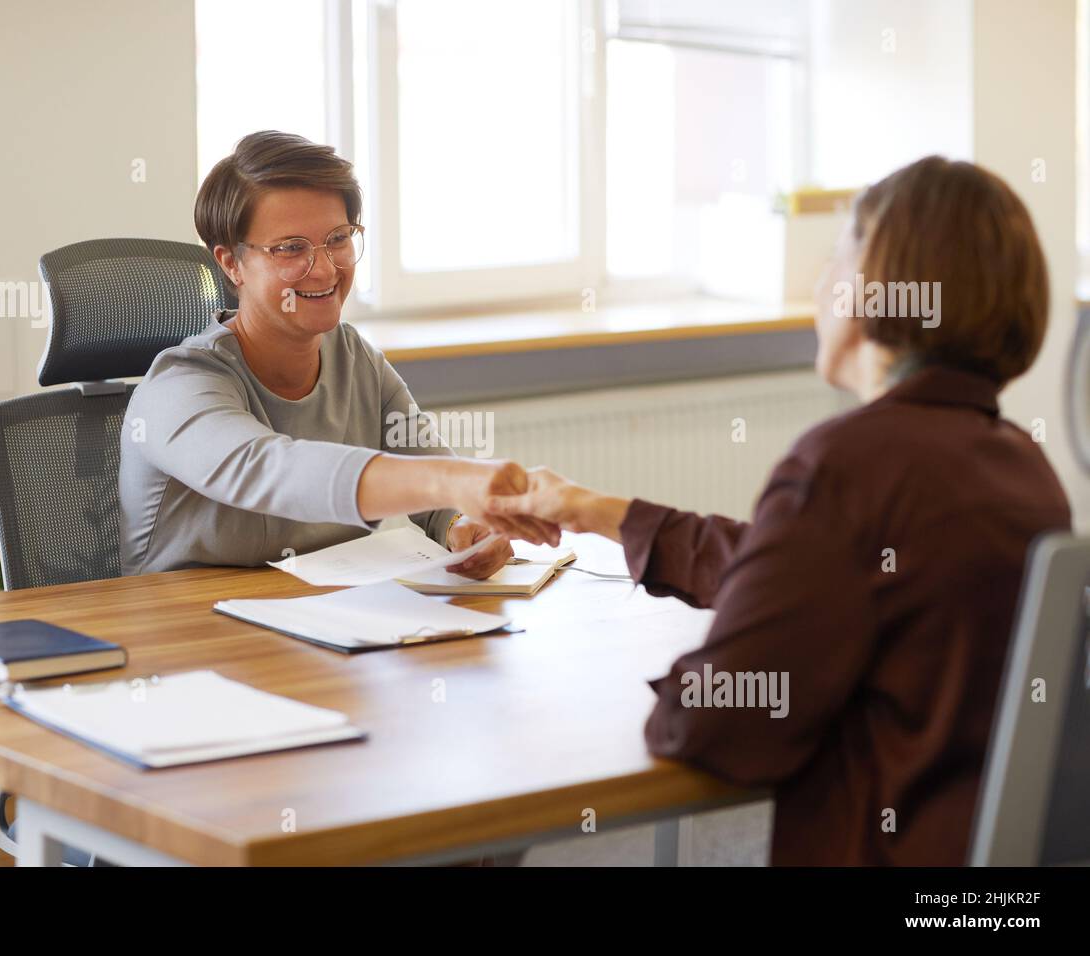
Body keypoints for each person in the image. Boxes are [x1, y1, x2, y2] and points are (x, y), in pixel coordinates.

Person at [488, 156, 1072, 865]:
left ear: (878, 288)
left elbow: (709, 726)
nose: (822, 285)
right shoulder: (1023, 466)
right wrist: (601, 511)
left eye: (838, 256)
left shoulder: (846, 463)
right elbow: (819, 569)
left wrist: (676, 676)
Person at [119, 131, 553, 577]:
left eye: (338, 238)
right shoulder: (177, 387)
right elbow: (270, 470)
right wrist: (459, 480)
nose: (325, 268)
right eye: (291, 248)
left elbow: (435, 494)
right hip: (191, 633)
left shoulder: (355, 360)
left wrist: (465, 524)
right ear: (231, 263)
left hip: (321, 621)